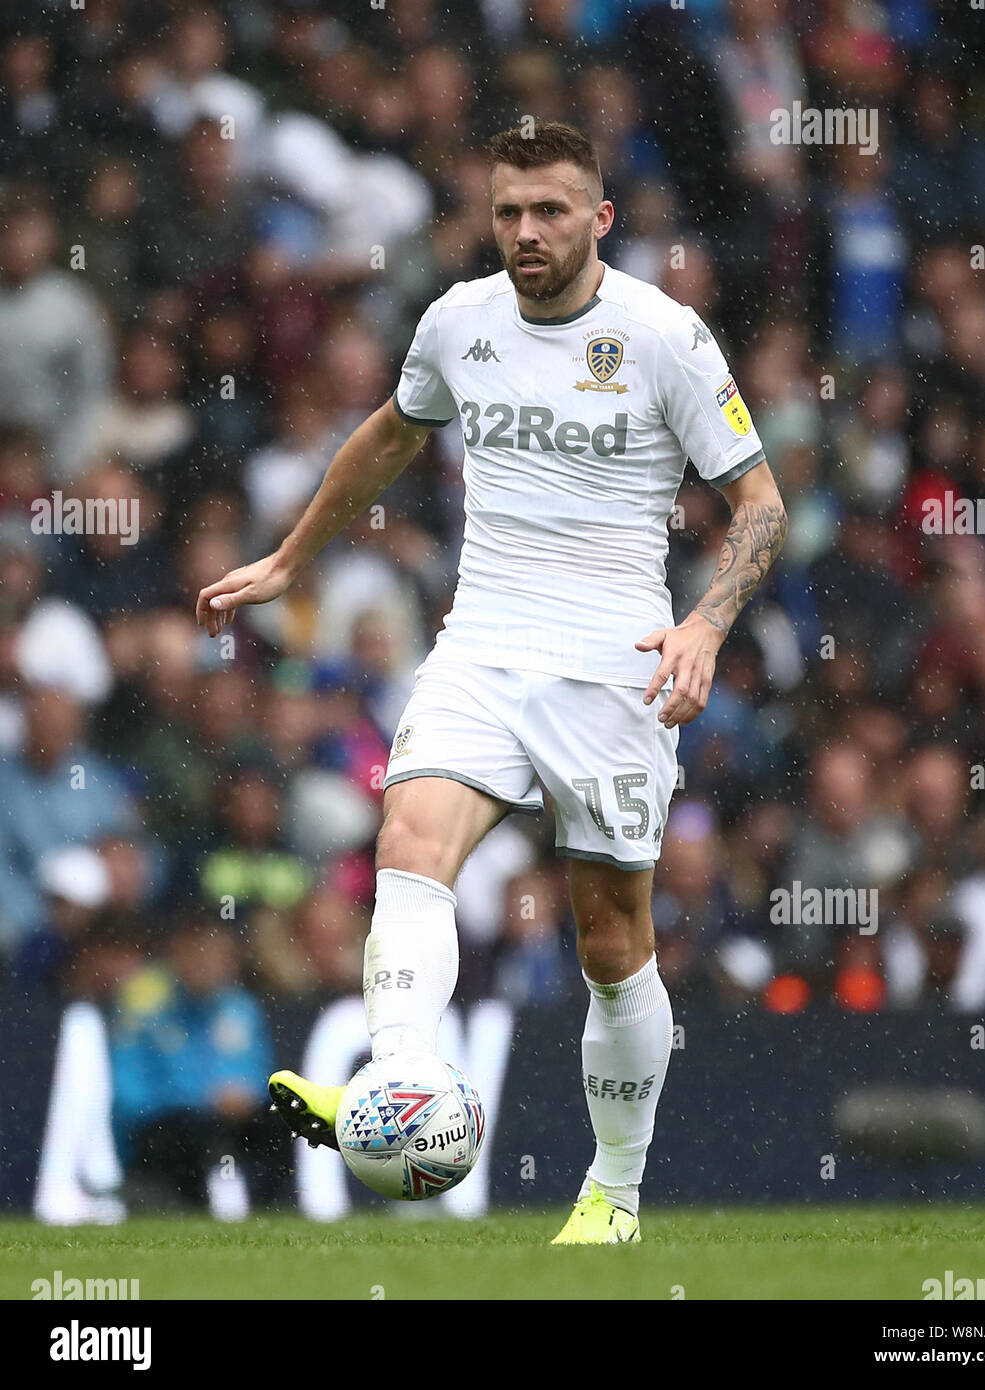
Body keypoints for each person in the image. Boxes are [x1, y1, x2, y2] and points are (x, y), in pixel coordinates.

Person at [195, 122, 786, 1243]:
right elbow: (388, 436)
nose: (525, 231)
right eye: (509, 210)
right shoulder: (456, 321)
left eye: (551, 210)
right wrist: (287, 559)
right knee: (409, 840)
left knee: (611, 941)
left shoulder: (664, 337)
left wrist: (706, 625)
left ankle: (613, 1191)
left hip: (617, 661)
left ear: (599, 219)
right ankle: (400, 1083)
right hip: (482, 641)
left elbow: (761, 505)